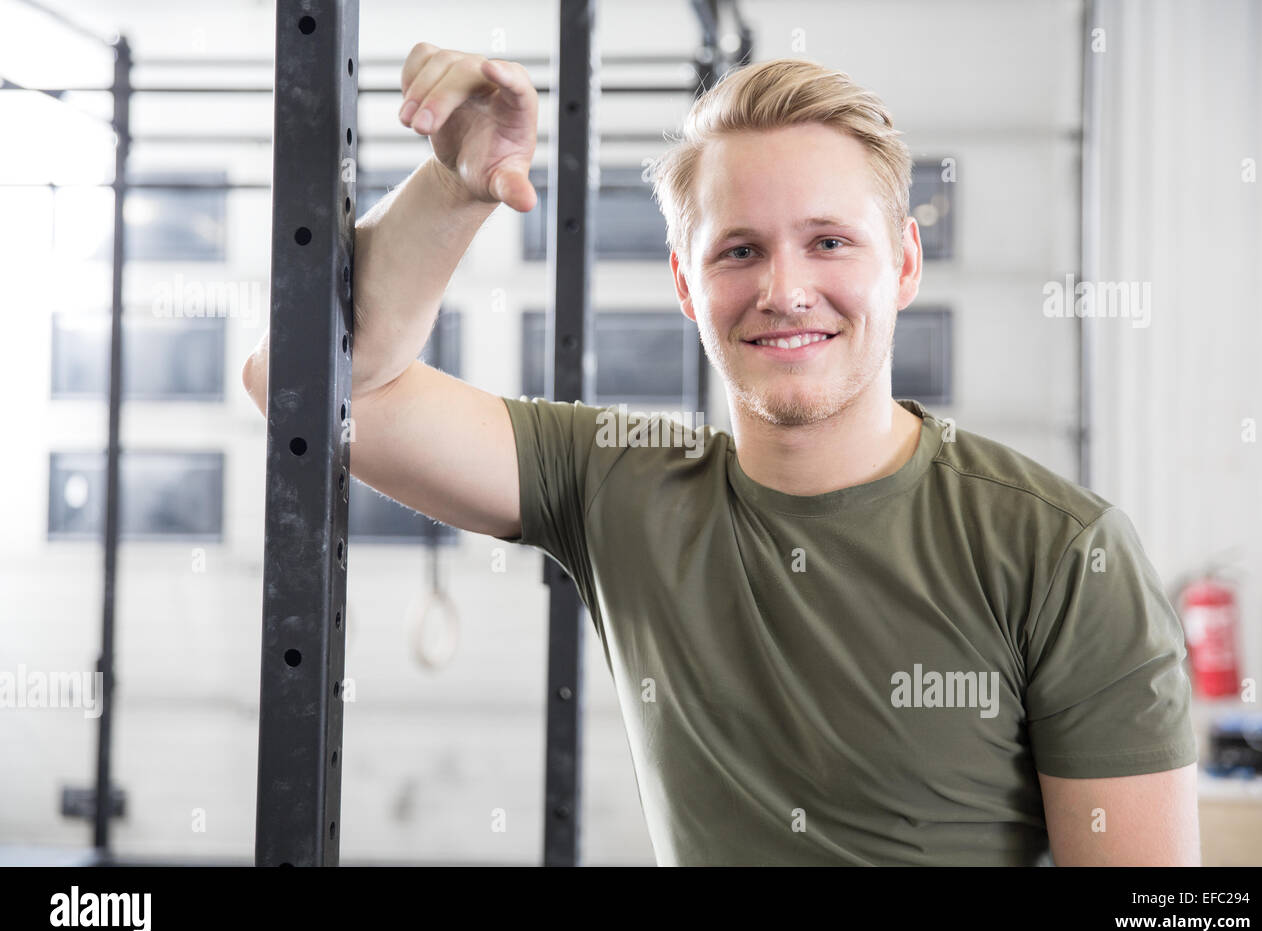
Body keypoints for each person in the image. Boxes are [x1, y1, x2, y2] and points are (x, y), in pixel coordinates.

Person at [243, 43, 1200, 866]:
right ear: (685, 283)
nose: (785, 290)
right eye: (738, 251)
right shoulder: (620, 482)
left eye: (828, 241)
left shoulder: (1063, 551)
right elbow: (321, 388)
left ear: (904, 263)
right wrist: (451, 189)